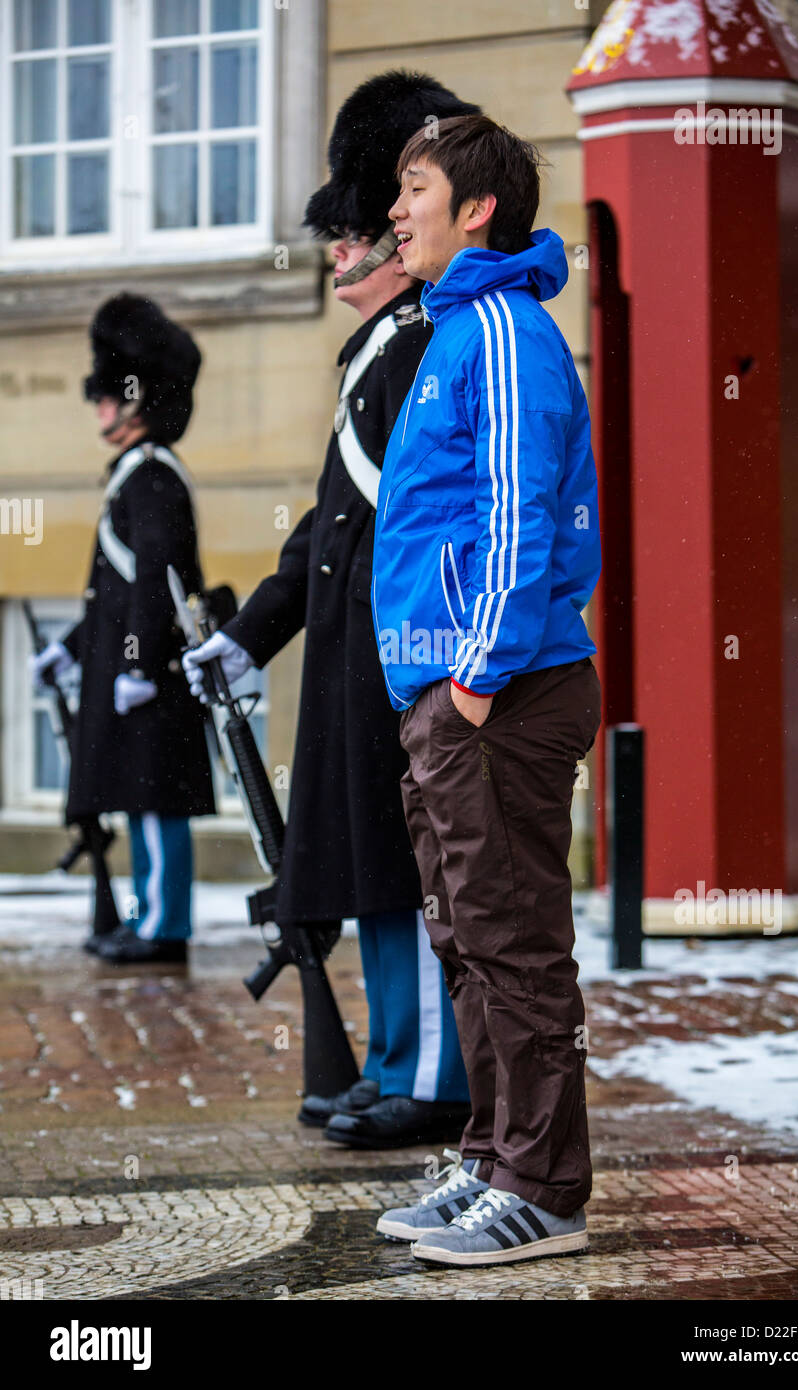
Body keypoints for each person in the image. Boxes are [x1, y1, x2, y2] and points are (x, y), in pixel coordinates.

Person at [183, 72, 479, 1149]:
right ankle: (399, 1055)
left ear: (390, 246)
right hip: (356, 653)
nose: (337, 253)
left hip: (398, 650)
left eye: (352, 233)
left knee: (412, 869)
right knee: (372, 870)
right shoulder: (373, 355)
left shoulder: (416, 348)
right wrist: (245, 634)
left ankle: (439, 1075)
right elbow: (324, 531)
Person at [373, 114, 603, 1263]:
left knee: (511, 941)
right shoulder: (451, 329)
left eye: (411, 188)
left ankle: (545, 1188)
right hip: (448, 692)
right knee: (465, 936)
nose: (392, 211)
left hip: (496, 694)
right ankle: (493, 1156)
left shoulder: (504, 328)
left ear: (474, 208)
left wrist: (471, 678)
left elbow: (517, 512)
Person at [31, 294, 215, 964]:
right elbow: (112, 593)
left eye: (110, 396)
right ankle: (148, 918)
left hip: (152, 678)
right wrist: (68, 649)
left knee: (156, 806)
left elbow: (155, 584)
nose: (101, 408)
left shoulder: (153, 478)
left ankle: (165, 927)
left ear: (139, 403)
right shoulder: (135, 477)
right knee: (138, 802)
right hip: (136, 675)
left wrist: (137, 666)